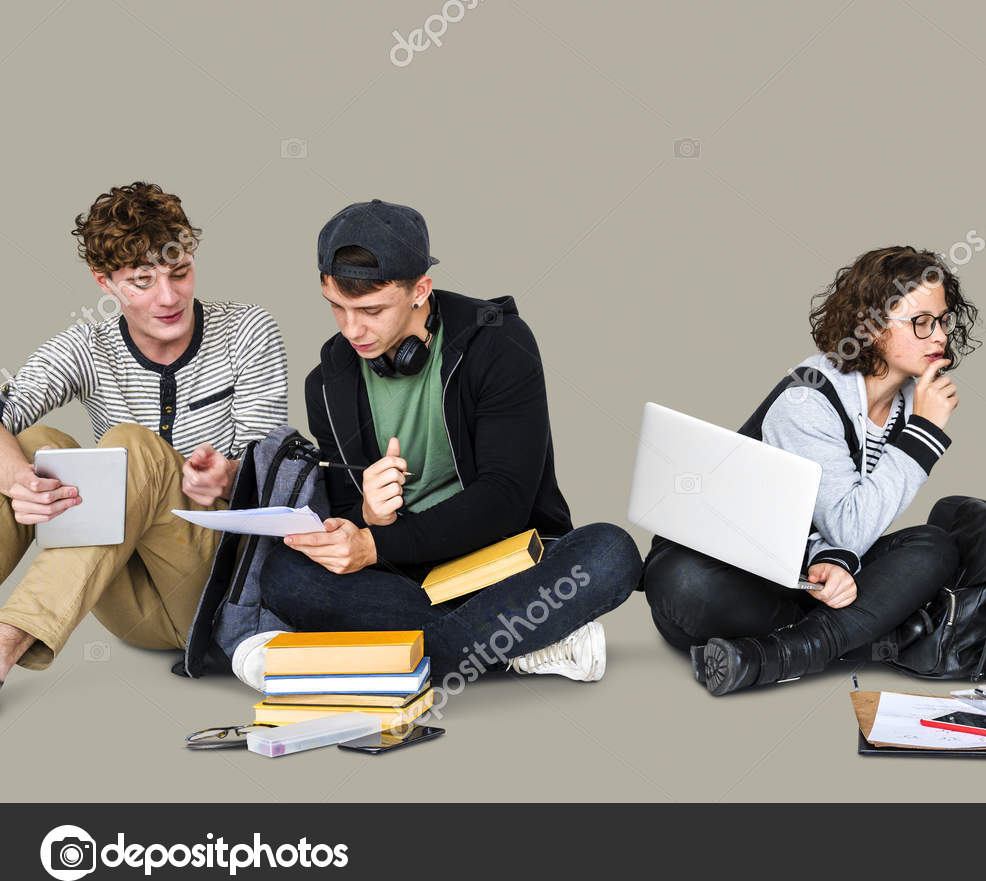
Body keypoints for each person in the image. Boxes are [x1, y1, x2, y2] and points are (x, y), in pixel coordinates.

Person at [254, 200, 641, 687]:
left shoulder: (499, 344)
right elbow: (350, 513)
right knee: (284, 575)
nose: (352, 329)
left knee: (610, 551)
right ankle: (514, 644)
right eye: (337, 307)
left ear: (420, 290)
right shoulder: (327, 384)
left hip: (502, 563)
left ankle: (413, 650)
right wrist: (368, 517)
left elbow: (505, 497)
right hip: (405, 577)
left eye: (372, 310)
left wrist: (374, 543)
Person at [642, 246, 975, 695]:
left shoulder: (905, 403)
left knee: (934, 546)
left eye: (942, 320)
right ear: (872, 326)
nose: (938, 336)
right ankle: (874, 637)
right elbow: (847, 526)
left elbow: (844, 528)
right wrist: (925, 434)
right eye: (921, 322)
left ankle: (776, 655)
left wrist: (832, 561)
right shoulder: (810, 397)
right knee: (684, 582)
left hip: (802, 574)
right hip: (731, 569)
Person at [0, 182, 288, 691]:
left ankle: (7, 639)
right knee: (32, 445)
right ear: (105, 282)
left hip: (214, 592)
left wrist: (230, 477)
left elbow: (277, 481)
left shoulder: (247, 330)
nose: (169, 297)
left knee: (132, 444)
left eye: (180, 272)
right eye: (141, 281)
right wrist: (21, 479)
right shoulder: (86, 347)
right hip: (125, 596)